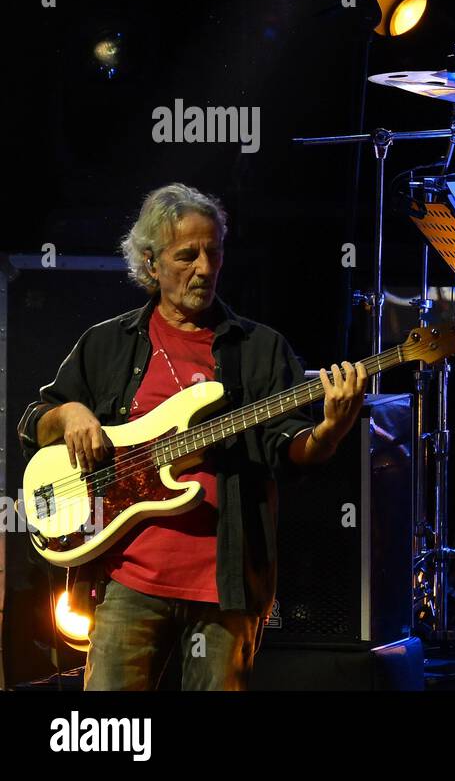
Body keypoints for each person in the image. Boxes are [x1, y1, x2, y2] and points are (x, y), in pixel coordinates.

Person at [17, 183, 368, 689]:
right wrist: (70, 414)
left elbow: (290, 452)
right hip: (128, 581)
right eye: (187, 256)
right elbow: (33, 420)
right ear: (151, 262)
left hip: (226, 590)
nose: (204, 268)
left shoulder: (260, 349)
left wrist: (331, 430)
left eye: (214, 253)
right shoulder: (107, 343)